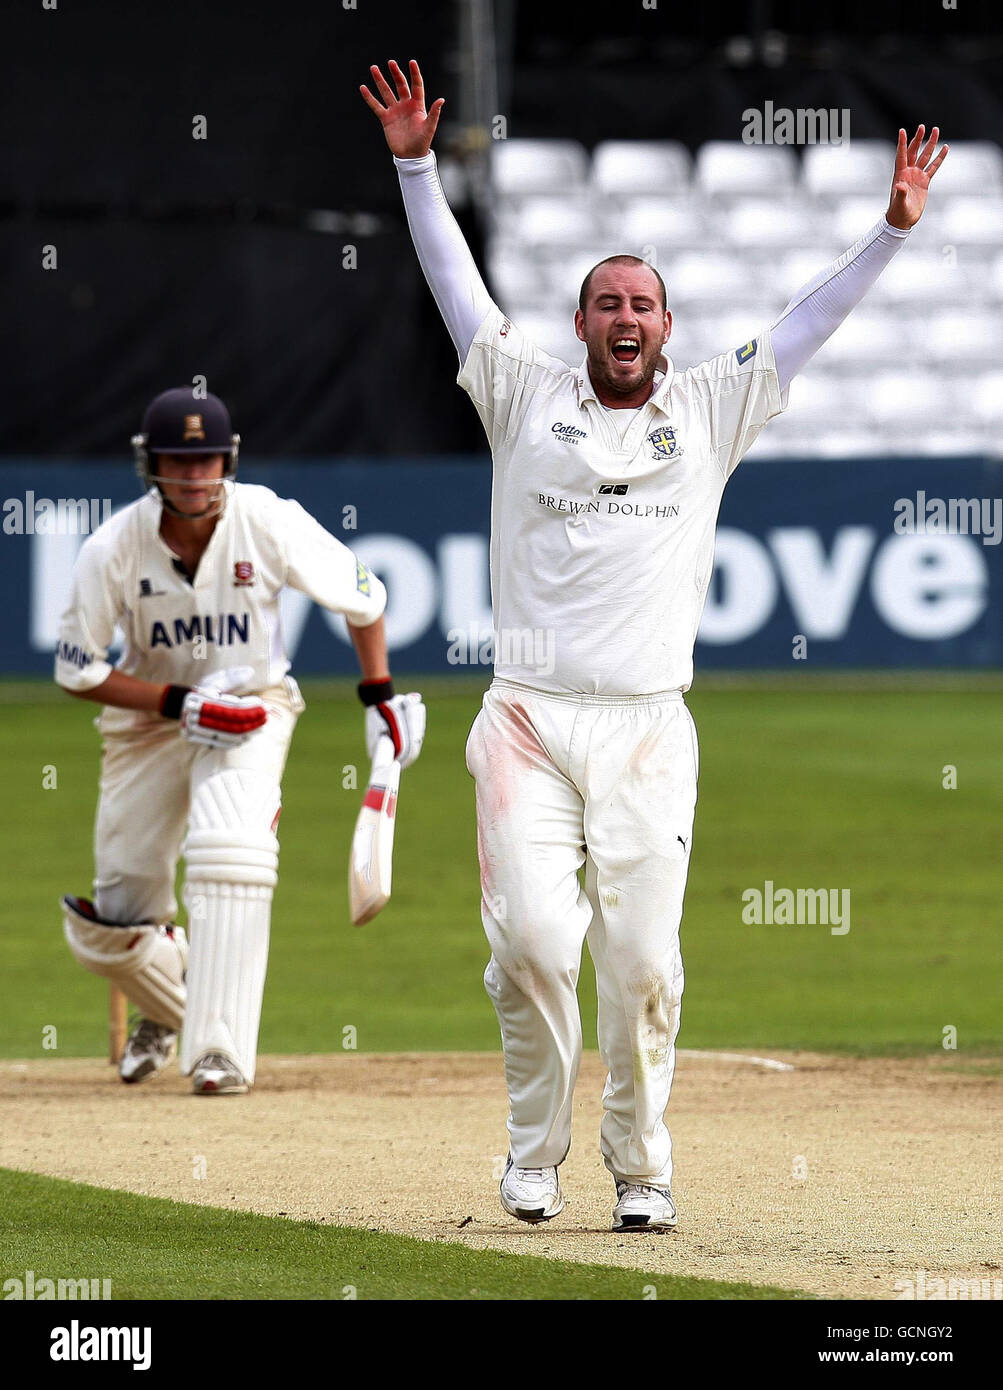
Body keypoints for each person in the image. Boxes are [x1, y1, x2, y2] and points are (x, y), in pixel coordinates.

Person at [363, 59, 947, 1228]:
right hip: (525, 714)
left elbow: (809, 324)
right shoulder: (521, 386)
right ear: (578, 321)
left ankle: (642, 1169)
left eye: (643, 304)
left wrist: (889, 231)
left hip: (645, 728)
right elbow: (451, 282)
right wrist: (415, 165)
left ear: (666, 326)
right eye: (606, 302)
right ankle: (534, 1156)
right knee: (531, 944)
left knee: (638, 965)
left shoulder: (710, 405)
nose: (625, 318)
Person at [55, 386, 425, 1094]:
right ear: (151, 465)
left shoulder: (265, 518)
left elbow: (365, 597)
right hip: (149, 720)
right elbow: (77, 670)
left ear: (227, 461)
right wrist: (174, 701)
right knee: (117, 921)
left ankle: (219, 1051)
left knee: (232, 842)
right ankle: (167, 1007)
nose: (195, 477)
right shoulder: (113, 546)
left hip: (253, 705)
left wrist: (376, 695)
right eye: (179, 462)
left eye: (208, 462)